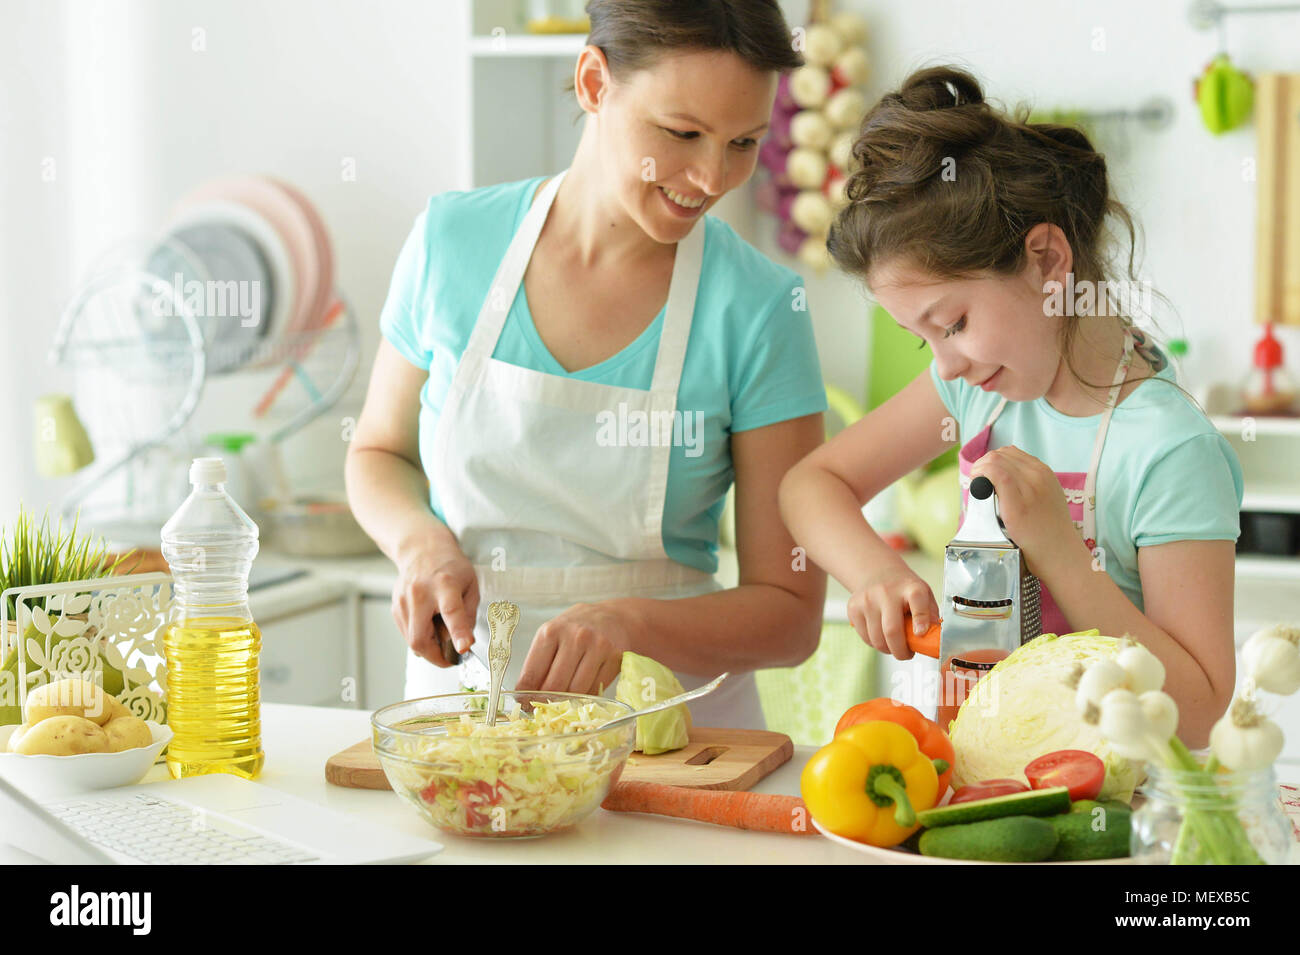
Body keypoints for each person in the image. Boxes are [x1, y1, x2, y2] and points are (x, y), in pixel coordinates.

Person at [345, 0, 827, 727]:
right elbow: (378, 453)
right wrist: (420, 546)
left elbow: (790, 615)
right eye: (683, 133)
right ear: (595, 83)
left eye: (743, 142)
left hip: (678, 744)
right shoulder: (451, 242)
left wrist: (628, 624)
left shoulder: (759, 307)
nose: (710, 177)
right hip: (458, 725)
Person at [778, 66, 1242, 747]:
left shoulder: (1170, 451)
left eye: (955, 323)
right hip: (982, 765)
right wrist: (876, 573)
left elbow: (1199, 709)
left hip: (1110, 794)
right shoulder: (971, 390)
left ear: (1047, 261)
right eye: (924, 339)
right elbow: (810, 484)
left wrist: (1058, 548)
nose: (945, 362)